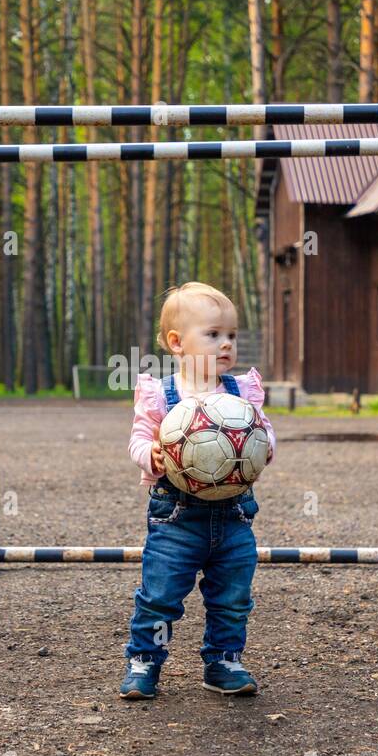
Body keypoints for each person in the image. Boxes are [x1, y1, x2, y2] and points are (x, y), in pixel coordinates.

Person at [121, 282, 276, 700]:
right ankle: (144, 663)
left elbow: (265, 434)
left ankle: (223, 661)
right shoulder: (160, 393)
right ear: (177, 342)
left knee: (233, 596)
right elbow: (137, 439)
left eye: (231, 335)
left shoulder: (242, 392)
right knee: (160, 596)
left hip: (235, 516)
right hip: (175, 517)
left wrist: (265, 449)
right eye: (213, 335)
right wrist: (148, 455)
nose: (226, 344)